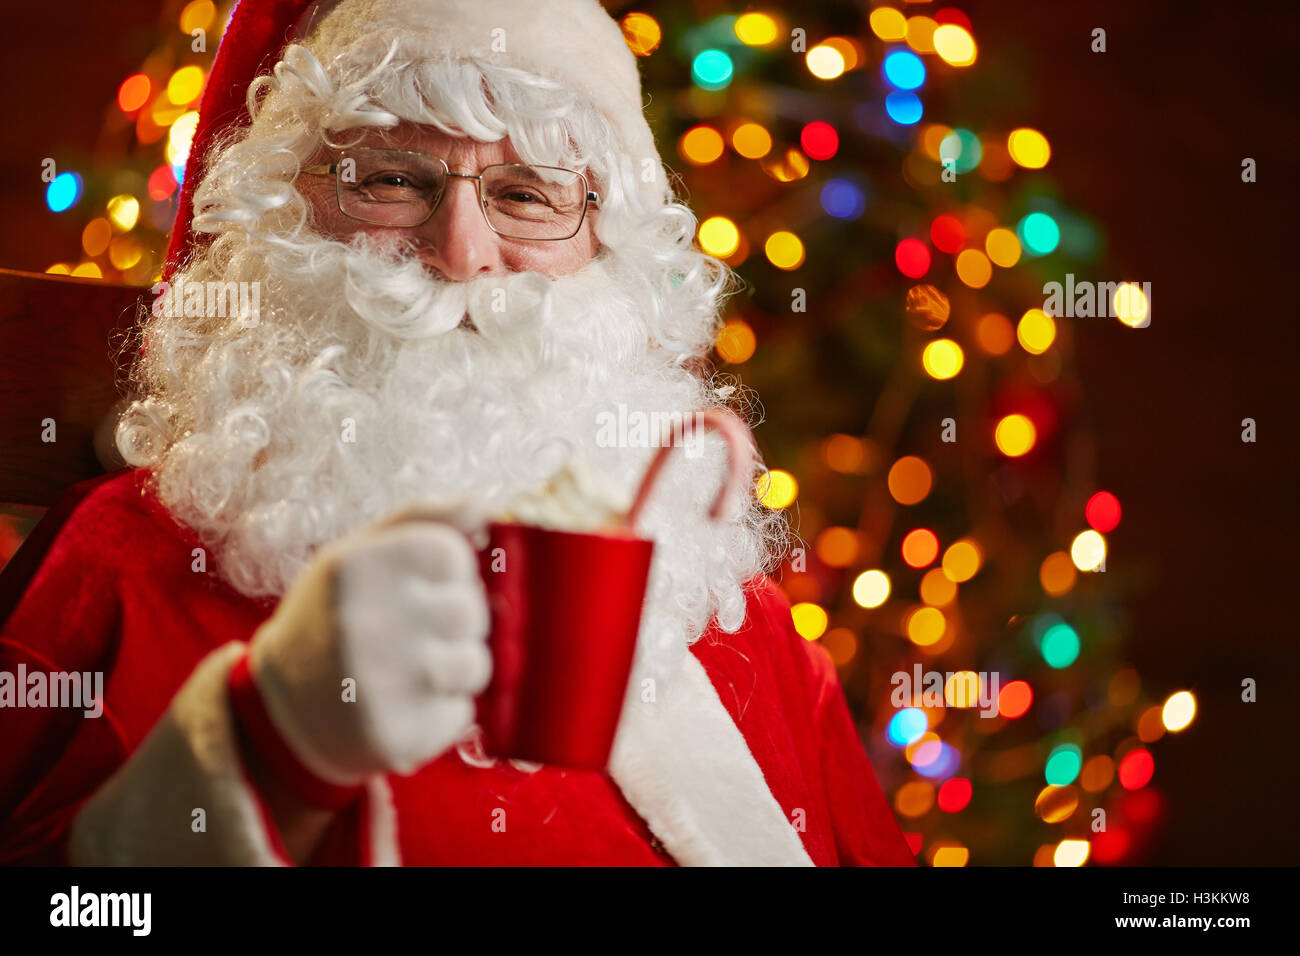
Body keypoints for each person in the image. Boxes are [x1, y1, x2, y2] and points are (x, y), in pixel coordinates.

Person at [0, 0, 915, 866]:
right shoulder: (118, 570)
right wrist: (265, 753)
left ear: (605, 245)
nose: (463, 252)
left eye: (527, 195)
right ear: (283, 212)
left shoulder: (717, 606)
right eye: (394, 181)